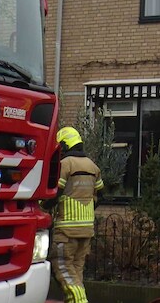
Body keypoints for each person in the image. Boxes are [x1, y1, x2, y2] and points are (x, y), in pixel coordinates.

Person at [52, 127, 103, 303]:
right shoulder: (93, 166)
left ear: (64, 145)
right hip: (86, 230)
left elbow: (54, 193)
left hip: (66, 231)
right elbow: (100, 195)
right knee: (76, 271)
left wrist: (42, 207)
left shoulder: (65, 164)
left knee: (63, 269)